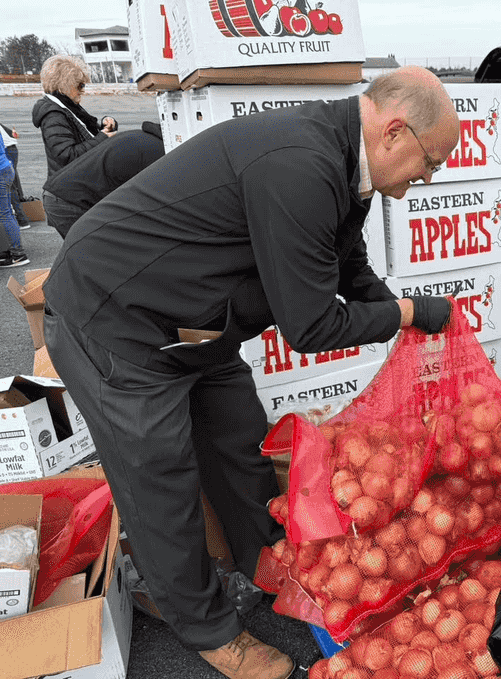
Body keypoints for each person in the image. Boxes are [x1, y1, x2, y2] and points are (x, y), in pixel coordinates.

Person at [42, 66, 460, 679]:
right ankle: (210, 630)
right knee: (162, 480)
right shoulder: (301, 164)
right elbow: (312, 327)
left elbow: (349, 267)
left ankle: (273, 568)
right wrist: (407, 312)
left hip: (194, 322)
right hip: (117, 318)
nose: (428, 178)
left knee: (239, 439)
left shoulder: (347, 161)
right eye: (430, 161)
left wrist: (401, 314)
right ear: (395, 132)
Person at [42, 121, 165, 238]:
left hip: (62, 193)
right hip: (68, 201)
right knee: (97, 254)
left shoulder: (141, 136)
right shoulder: (157, 152)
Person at [31, 55, 117, 190]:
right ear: (64, 85)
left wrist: (106, 125)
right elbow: (67, 155)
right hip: (67, 193)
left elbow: (84, 131)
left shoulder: (68, 106)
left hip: (76, 187)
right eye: (79, 85)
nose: (83, 90)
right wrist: (103, 137)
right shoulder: (53, 114)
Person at [0, 136, 29, 267]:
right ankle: (10, 251)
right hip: (5, 168)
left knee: (5, 214)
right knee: (6, 213)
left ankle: (18, 254)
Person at [0, 123, 30, 228]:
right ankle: (22, 214)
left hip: (6, 151)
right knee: (13, 181)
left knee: (9, 186)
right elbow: (12, 134)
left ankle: (22, 220)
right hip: (11, 150)